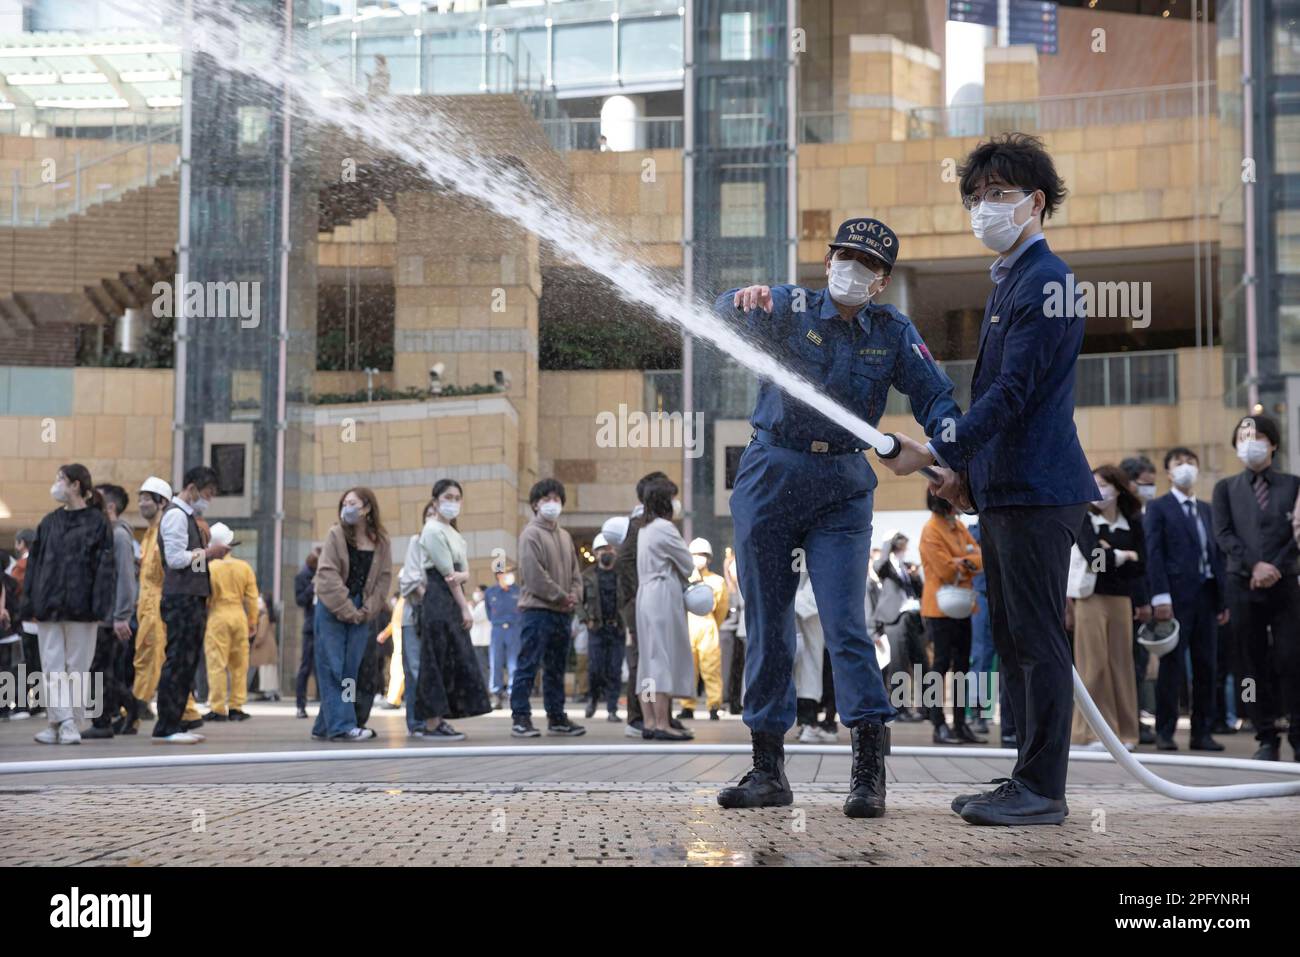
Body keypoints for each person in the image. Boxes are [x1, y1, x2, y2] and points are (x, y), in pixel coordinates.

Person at [717, 216, 960, 818]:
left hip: (844, 486)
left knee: (846, 624)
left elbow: (936, 398)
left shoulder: (893, 331)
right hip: (771, 472)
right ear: (827, 262)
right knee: (768, 623)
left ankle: (868, 773)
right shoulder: (787, 305)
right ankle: (768, 769)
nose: (855, 270)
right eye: (846, 257)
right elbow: (721, 313)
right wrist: (739, 299)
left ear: (881, 281)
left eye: (871, 265)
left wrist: (948, 454)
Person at [887, 132, 1098, 826]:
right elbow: (1005, 405)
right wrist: (963, 477)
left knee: (1037, 643)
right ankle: (1026, 777)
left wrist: (941, 445)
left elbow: (1012, 394)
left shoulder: (1051, 281)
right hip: (1010, 490)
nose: (984, 208)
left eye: (999, 195)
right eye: (976, 197)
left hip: (1040, 492)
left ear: (1036, 203)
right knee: (1013, 641)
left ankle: (1045, 790)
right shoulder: (1011, 279)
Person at [1212, 414, 1300, 761]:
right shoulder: (1225, 489)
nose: (1250, 441)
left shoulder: (1293, 485)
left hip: (1284, 584)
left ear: (1273, 443)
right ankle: (1265, 735)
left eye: (1258, 435)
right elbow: (1224, 534)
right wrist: (1254, 566)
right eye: (1244, 435)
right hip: (1242, 584)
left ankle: (1297, 732)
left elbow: (1296, 535)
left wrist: (1274, 567)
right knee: (1249, 662)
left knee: (1291, 658)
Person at [21, 464, 117, 745]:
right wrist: (30, 603)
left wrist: (100, 606)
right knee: (51, 666)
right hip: (49, 604)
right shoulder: (49, 522)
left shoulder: (97, 522)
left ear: (76, 485)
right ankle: (62, 721)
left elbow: (105, 567)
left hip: (82, 606)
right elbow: (35, 565)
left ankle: (67, 722)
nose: (56, 484)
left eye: (60, 479)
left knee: (77, 667)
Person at [1144, 447, 1228, 752]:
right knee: (1172, 667)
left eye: (1190, 462)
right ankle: (1165, 731)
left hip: (1207, 594)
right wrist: (1160, 596)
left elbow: (1217, 555)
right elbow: (1154, 553)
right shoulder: (1159, 508)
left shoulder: (1207, 509)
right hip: (1176, 598)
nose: (1186, 467)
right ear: (1168, 472)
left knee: (1207, 665)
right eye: (1179, 463)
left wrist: (1223, 600)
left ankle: (1202, 732)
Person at [1068, 466, 1149, 750]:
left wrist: (1111, 553)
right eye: (1095, 484)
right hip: (1091, 598)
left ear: (1118, 488)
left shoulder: (1133, 521)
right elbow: (1094, 558)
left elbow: (1141, 565)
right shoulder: (1084, 518)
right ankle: (1090, 732)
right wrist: (1122, 555)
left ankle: (1126, 732)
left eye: (1104, 484)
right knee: (1094, 665)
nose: (1100, 490)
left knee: (1121, 664)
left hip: (1121, 600)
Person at [153, 466, 230, 744]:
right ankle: (166, 724)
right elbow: (175, 560)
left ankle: (175, 721)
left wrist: (209, 556)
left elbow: (186, 559)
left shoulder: (186, 516)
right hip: (180, 598)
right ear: (193, 487)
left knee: (187, 661)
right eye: (207, 493)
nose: (207, 500)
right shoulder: (175, 515)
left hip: (190, 597)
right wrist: (210, 553)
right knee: (178, 660)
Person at [311, 487, 391, 742]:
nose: (348, 507)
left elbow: (384, 578)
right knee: (331, 666)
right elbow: (327, 574)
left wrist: (368, 609)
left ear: (367, 508)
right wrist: (347, 608)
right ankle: (342, 726)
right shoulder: (336, 534)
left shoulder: (381, 541)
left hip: (362, 610)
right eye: (345, 503)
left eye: (353, 503)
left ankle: (326, 725)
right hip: (333, 608)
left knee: (350, 669)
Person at [413, 479, 491, 740]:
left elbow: (464, 573)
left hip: (450, 598)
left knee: (450, 658)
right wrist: (465, 608)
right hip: (438, 598)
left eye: (457, 497)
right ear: (435, 501)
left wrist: (461, 578)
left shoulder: (453, 534)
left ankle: (441, 717)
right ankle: (432, 722)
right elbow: (449, 574)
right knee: (435, 659)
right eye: (448, 497)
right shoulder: (432, 530)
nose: (453, 502)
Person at [126, 476, 202, 735]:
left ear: (162, 502)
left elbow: (179, 563)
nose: (141, 503)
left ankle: (138, 713)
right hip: (146, 607)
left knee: (159, 661)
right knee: (152, 661)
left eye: (147, 498)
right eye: (140, 498)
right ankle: (185, 713)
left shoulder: (167, 527)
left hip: (161, 606)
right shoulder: (148, 534)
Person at [511, 479, 586, 738]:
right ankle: (520, 718)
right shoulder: (530, 534)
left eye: (556, 499)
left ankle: (557, 717)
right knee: (528, 665)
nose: (552, 504)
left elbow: (577, 573)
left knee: (556, 667)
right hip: (537, 611)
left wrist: (574, 595)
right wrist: (562, 596)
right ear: (535, 504)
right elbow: (534, 576)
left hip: (562, 613)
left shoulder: (565, 536)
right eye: (546, 500)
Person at [919, 490, 985, 744]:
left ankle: (959, 723)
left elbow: (981, 558)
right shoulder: (931, 530)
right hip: (939, 607)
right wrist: (967, 562)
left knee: (962, 665)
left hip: (962, 605)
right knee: (940, 665)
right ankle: (938, 723)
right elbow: (944, 569)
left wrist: (963, 561)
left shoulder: (957, 526)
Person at [634, 480, 695, 741]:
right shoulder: (665, 528)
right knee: (661, 656)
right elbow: (688, 564)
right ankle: (662, 723)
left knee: (648, 659)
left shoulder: (644, 529)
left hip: (645, 593)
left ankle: (649, 721)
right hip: (661, 594)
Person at [83, 484, 138, 740]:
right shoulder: (104, 534)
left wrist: (122, 616)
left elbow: (127, 579)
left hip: (111, 618)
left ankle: (106, 719)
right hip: (101, 616)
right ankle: (118, 713)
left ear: (110, 507)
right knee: (102, 671)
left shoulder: (119, 536)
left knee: (99, 671)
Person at [202, 524, 259, 722]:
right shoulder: (244, 567)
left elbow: (204, 598)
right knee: (239, 664)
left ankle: (217, 708)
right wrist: (253, 621)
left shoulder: (209, 568)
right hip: (239, 616)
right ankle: (236, 707)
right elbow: (252, 598)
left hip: (217, 616)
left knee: (217, 664)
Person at [872, 532, 925, 722]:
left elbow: (918, 592)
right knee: (898, 665)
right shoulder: (886, 567)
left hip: (912, 617)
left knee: (921, 662)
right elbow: (880, 563)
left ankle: (924, 708)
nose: (904, 550)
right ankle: (899, 708)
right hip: (893, 619)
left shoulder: (905, 567)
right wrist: (889, 542)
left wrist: (916, 578)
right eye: (901, 546)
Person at [676, 537, 728, 721]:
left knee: (711, 668)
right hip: (688, 625)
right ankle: (687, 707)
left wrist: (714, 624)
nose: (699, 558)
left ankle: (714, 705)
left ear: (709, 558)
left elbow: (722, 608)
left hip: (708, 626)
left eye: (702, 555)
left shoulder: (718, 581)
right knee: (688, 669)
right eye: (695, 555)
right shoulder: (684, 579)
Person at [395, 500, 435, 732]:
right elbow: (407, 581)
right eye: (428, 514)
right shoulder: (416, 542)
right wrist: (430, 597)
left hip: (439, 618)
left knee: (433, 670)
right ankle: (418, 720)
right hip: (415, 617)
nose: (432, 518)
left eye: (435, 513)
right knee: (415, 670)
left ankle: (433, 719)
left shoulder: (453, 543)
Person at [581, 533, 625, 721]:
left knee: (615, 669)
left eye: (609, 549)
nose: (606, 553)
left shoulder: (622, 575)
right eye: (602, 550)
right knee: (595, 669)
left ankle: (612, 709)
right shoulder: (587, 576)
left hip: (617, 629)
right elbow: (577, 602)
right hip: (596, 630)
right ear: (596, 553)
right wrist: (586, 619)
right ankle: (593, 699)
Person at [484, 563, 522, 711]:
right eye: (507, 572)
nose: (510, 575)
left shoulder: (518, 591)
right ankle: (496, 695)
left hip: (514, 629)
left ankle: (513, 694)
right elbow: (489, 613)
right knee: (496, 663)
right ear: (498, 575)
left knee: (514, 664)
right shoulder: (490, 592)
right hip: (497, 630)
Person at [293, 547, 320, 719]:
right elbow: (300, 600)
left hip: (325, 627)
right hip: (311, 626)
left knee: (323, 667)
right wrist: (312, 586)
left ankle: (323, 700)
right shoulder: (303, 576)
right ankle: (300, 705)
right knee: (306, 666)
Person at [470, 585, 491, 686]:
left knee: (482, 667)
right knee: (484, 666)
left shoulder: (483, 604)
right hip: (482, 640)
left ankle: (486, 688)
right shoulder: (482, 604)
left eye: (478, 591)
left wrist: (468, 607)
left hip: (481, 641)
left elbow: (474, 617)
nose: (476, 593)